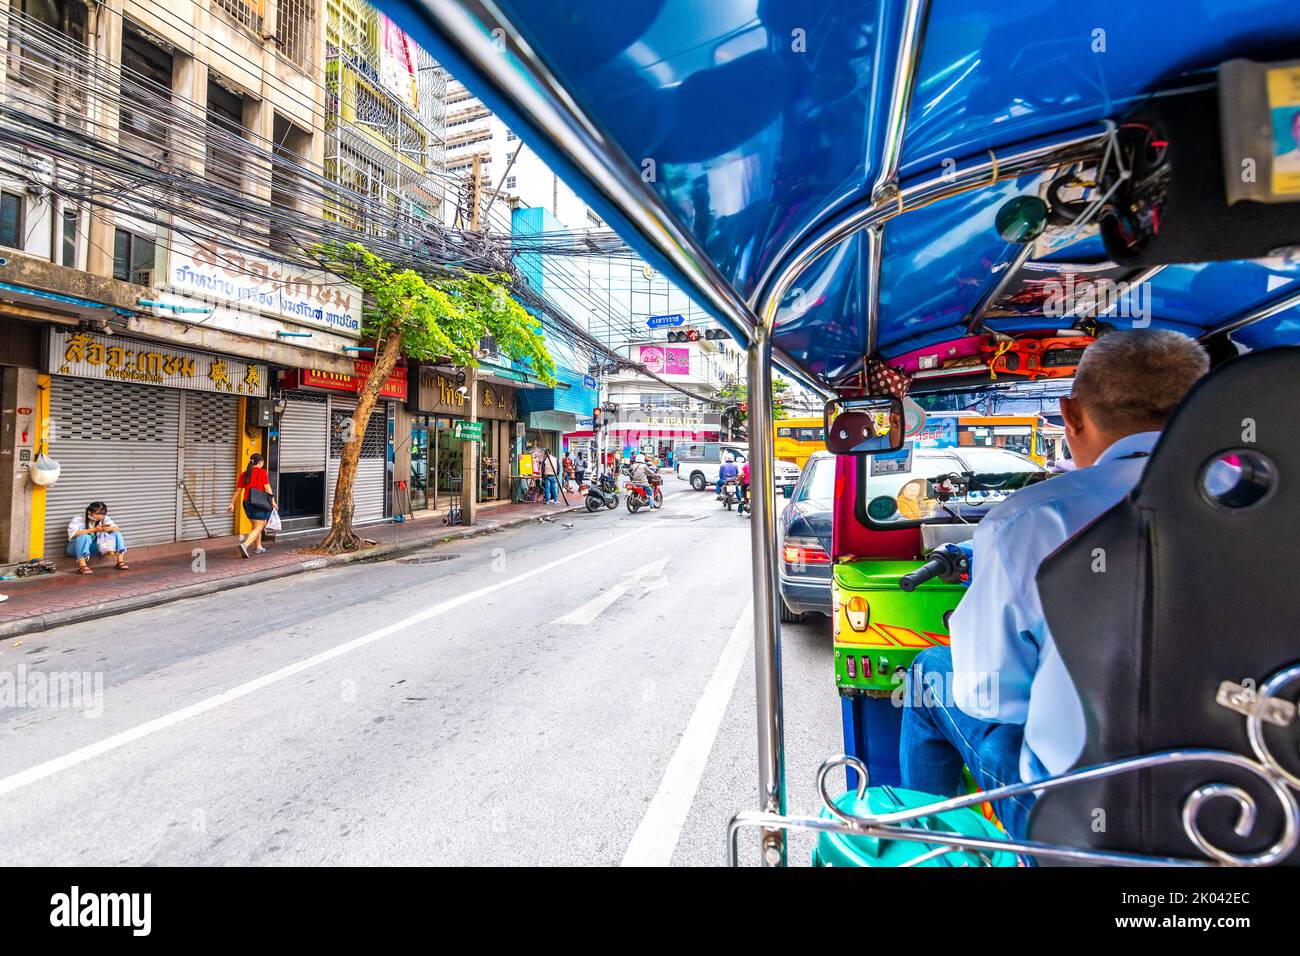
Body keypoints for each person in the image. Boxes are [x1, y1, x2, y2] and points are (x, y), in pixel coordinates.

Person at [899, 330, 1210, 841]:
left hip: (1081, 829)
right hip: (1252, 816)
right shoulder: (1266, 508)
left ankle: (933, 847)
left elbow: (989, 701)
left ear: (1070, 415)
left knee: (930, 671)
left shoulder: (1027, 522)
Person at [227, 452, 278, 559]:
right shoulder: (262, 472)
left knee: (255, 527)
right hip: (259, 502)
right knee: (260, 526)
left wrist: (232, 503)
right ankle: (245, 545)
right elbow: (267, 488)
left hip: (247, 503)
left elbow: (238, 491)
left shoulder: (244, 474)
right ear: (260, 462)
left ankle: (259, 547)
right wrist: (273, 502)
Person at [66, 501, 128, 574]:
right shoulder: (78, 519)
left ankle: (120, 562)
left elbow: (116, 528)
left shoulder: (104, 518)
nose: (100, 516)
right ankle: (82, 566)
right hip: (75, 548)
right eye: (97, 514)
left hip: (93, 548)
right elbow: (73, 534)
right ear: (89, 512)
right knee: (84, 536)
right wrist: (93, 529)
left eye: (102, 514)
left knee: (116, 534)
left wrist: (109, 529)